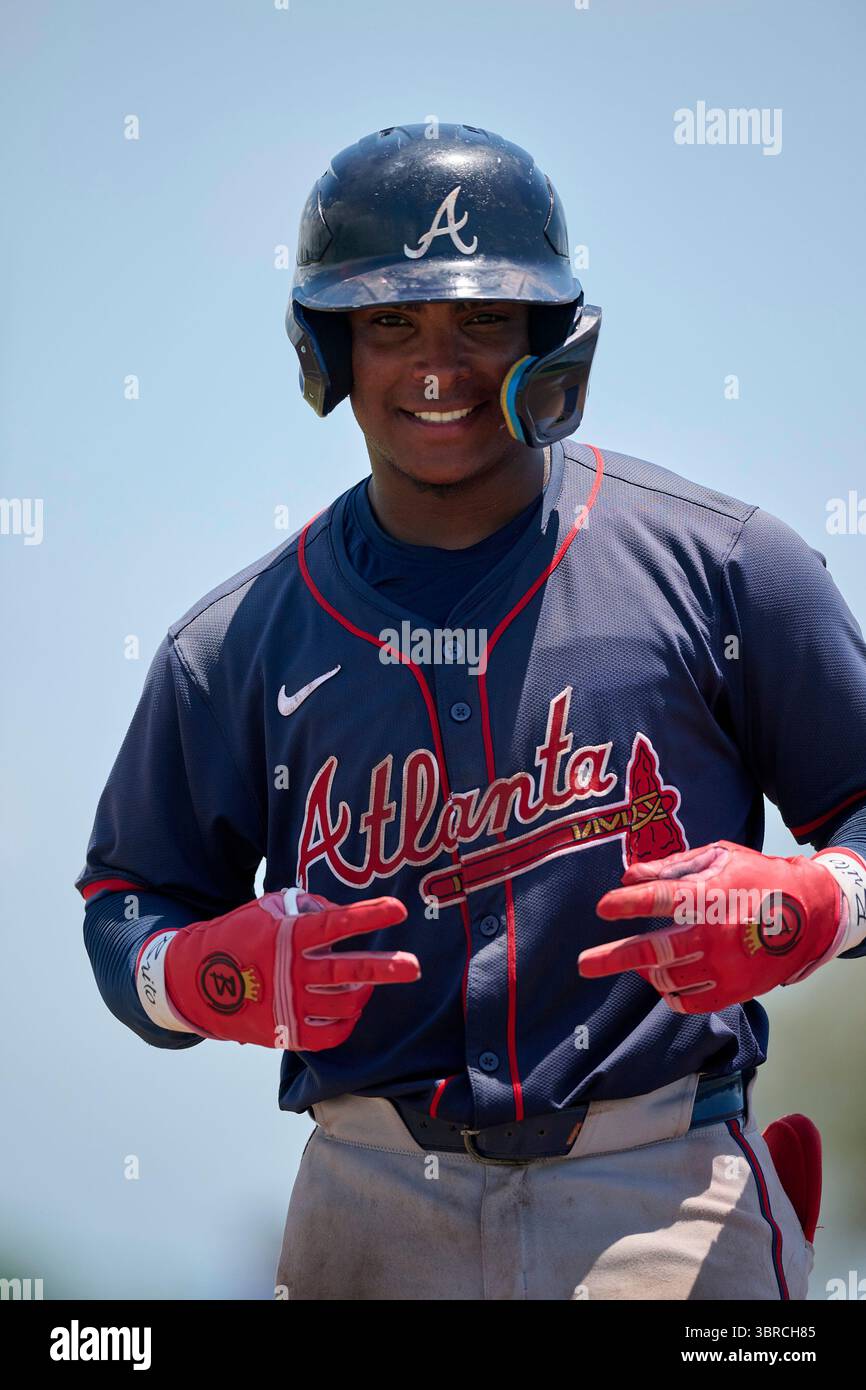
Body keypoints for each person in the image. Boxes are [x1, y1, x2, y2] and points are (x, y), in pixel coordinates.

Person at [77, 123, 866, 1301]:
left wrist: (820, 899)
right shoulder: (233, 641)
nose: (434, 365)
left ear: (553, 341)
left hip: (659, 1183)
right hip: (366, 1199)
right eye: (389, 323)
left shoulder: (727, 567)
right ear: (327, 347)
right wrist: (194, 973)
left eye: (481, 321)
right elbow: (123, 903)